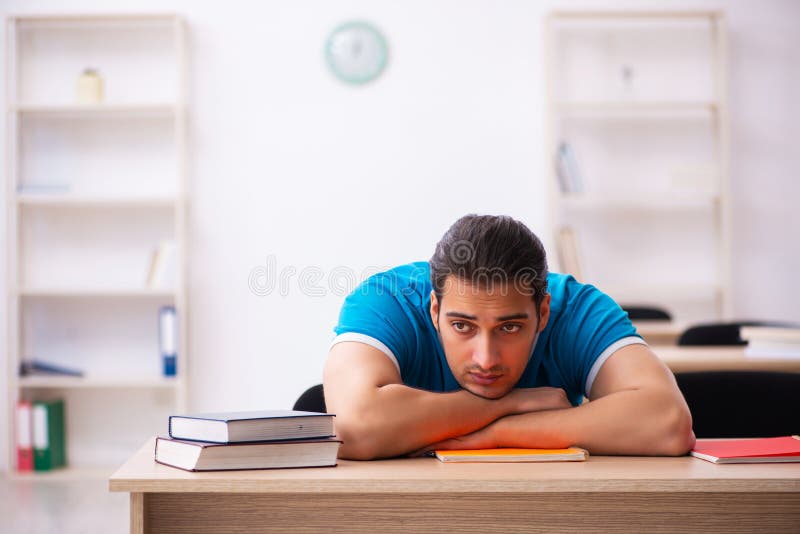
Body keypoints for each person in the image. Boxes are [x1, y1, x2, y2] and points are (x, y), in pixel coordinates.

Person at [324, 214, 694, 460]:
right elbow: (354, 426)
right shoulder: (384, 300)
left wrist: (500, 433)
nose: (486, 359)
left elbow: (667, 423)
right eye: (462, 327)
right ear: (434, 309)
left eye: (510, 328)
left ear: (543, 312)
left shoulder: (578, 308)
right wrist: (510, 403)